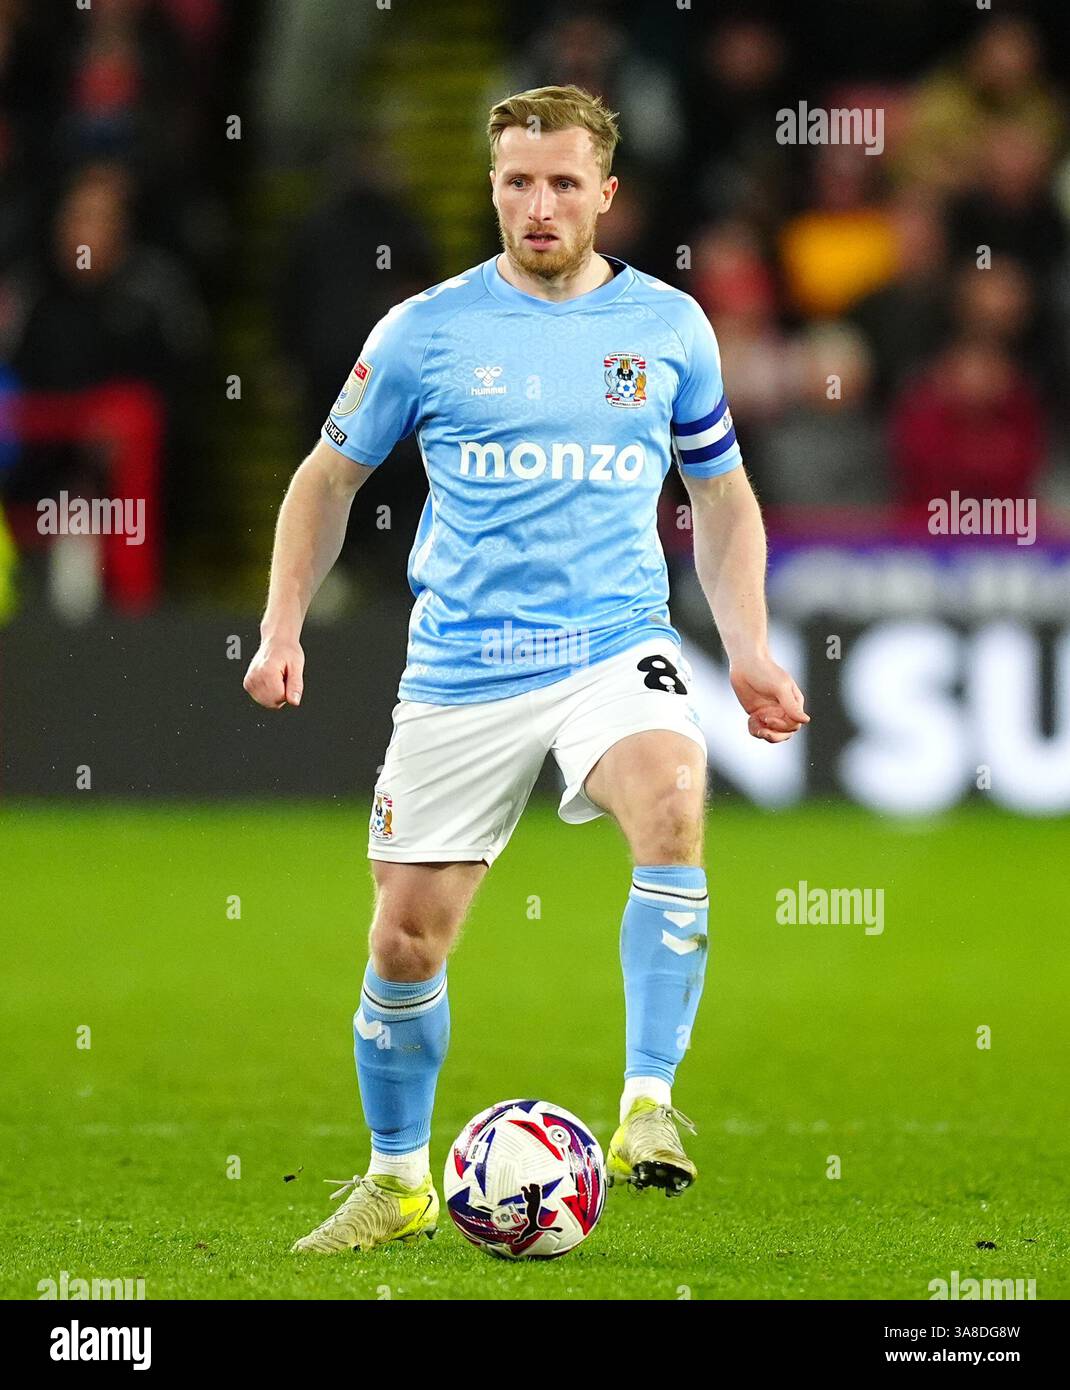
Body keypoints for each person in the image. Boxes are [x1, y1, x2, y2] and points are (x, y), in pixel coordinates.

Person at [242, 85, 808, 1256]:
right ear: (490, 186)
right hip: (461, 670)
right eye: (515, 182)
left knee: (671, 800)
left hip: (615, 642)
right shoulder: (426, 331)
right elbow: (323, 481)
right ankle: (396, 1180)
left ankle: (648, 1104)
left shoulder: (669, 328)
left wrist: (745, 644)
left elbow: (721, 496)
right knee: (404, 943)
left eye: (560, 183)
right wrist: (282, 622)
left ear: (605, 192)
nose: (536, 205)